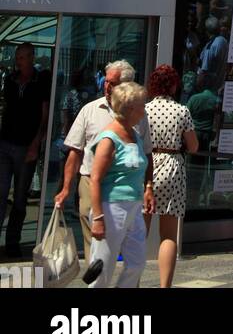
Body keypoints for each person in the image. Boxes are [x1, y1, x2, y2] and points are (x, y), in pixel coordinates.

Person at [55, 58, 154, 255]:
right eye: (106, 81)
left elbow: (147, 154)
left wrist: (148, 187)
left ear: (126, 86)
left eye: (113, 83)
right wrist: (66, 188)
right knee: (95, 245)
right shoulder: (90, 110)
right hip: (91, 183)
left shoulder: (138, 116)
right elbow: (75, 151)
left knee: (130, 253)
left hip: (126, 190)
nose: (107, 86)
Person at [86, 82, 153, 288]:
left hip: (133, 206)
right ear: (130, 108)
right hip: (111, 207)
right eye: (142, 105)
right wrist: (98, 218)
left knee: (137, 262)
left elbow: (143, 165)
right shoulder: (109, 138)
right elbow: (95, 179)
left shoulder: (134, 134)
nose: (145, 109)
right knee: (103, 266)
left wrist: (148, 189)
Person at [144, 64, 198, 288]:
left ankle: (132, 281)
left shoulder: (143, 110)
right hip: (172, 167)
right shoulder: (181, 111)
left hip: (147, 167)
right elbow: (193, 146)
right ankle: (164, 286)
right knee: (168, 234)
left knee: (140, 230)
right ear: (174, 85)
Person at [0, 43, 51, 258]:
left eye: (22, 57)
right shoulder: (10, 80)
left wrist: (36, 143)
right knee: (1, 195)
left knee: (20, 197)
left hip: (26, 146)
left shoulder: (41, 81)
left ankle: (13, 242)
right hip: (5, 143)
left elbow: (45, 114)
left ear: (32, 57)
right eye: (17, 57)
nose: (18, 61)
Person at [186, 71, 219, 153]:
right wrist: (214, 131)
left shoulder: (194, 98)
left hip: (194, 133)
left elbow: (186, 115)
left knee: (192, 156)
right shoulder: (215, 100)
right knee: (203, 158)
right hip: (207, 134)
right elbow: (217, 117)